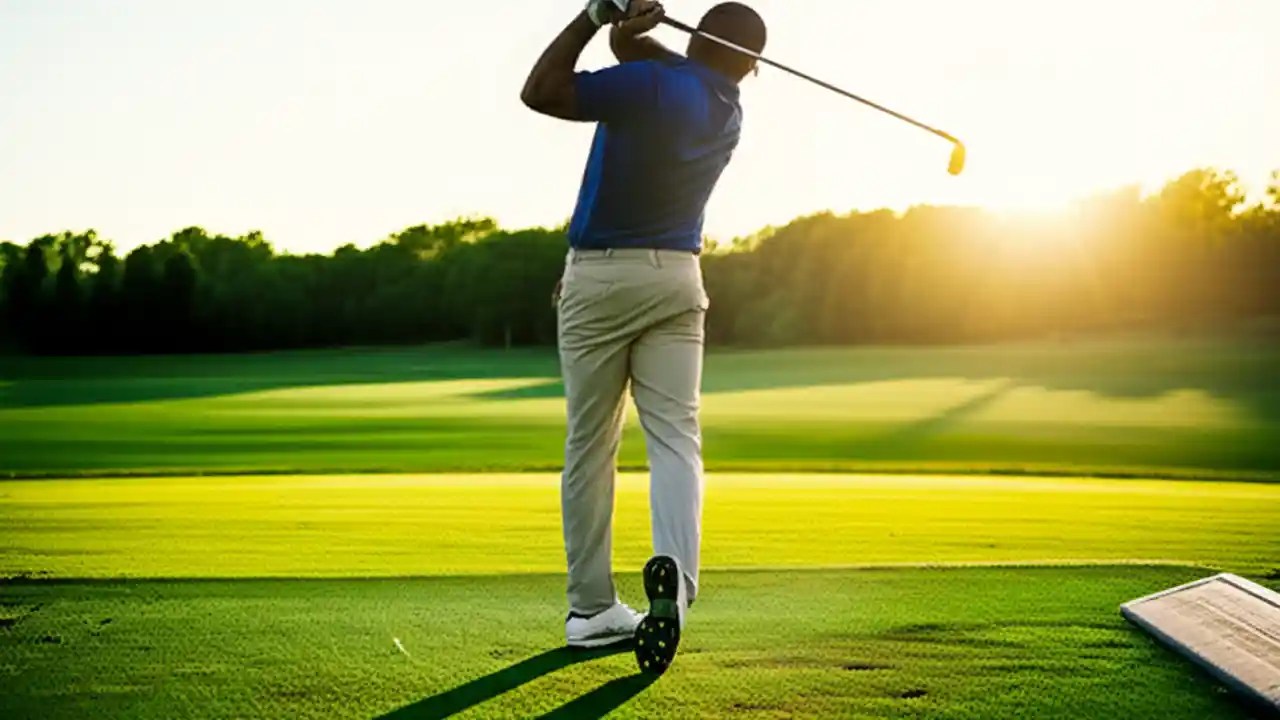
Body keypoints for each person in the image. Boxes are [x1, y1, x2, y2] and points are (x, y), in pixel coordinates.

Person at [521, 0, 767, 674]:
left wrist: (593, 17)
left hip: (601, 276)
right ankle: (678, 591)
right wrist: (636, 32)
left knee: (591, 444)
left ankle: (592, 610)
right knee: (676, 439)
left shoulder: (658, 84)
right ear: (750, 67)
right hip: (679, 280)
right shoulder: (726, 109)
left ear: (696, 39)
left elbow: (540, 91)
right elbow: (659, 64)